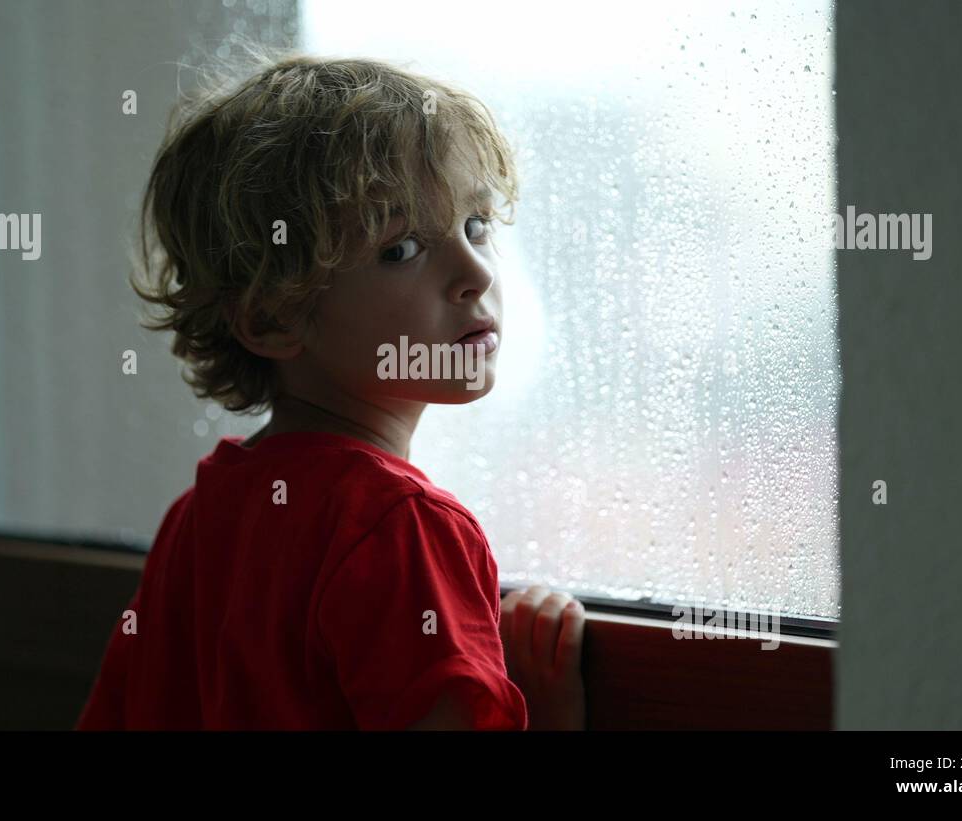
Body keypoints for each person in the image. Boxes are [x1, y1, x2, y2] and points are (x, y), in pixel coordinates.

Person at [76, 53, 586, 730]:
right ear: (273, 316)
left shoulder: (200, 519)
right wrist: (552, 712)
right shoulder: (398, 528)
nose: (474, 272)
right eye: (401, 248)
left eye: (475, 225)